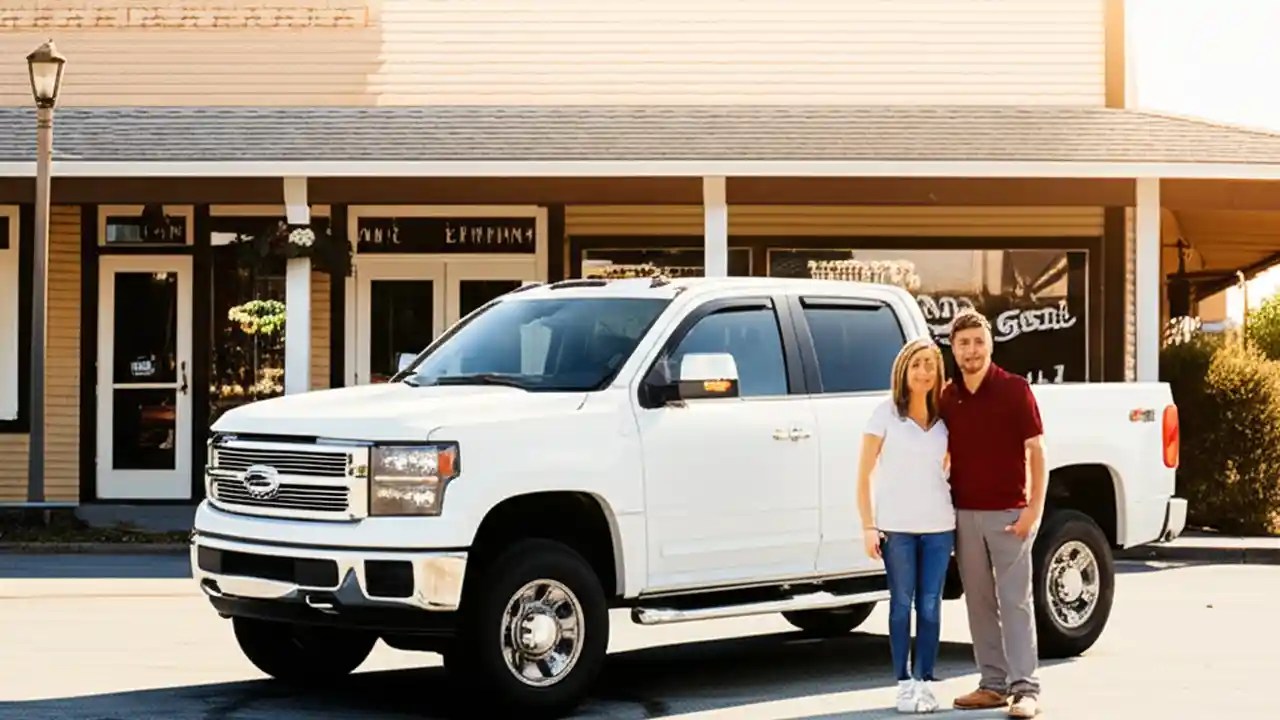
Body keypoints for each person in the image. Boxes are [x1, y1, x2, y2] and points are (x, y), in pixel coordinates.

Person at [940, 310, 1047, 719]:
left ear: (990, 345)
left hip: (1008, 514)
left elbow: (1037, 452)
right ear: (953, 348)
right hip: (965, 514)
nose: (971, 350)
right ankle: (992, 684)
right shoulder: (949, 397)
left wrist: (1032, 512)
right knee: (979, 602)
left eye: (978, 341)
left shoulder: (1014, 389)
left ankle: (1026, 689)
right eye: (963, 343)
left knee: (1015, 601)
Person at [857, 337, 956, 714]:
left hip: (938, 527)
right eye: (917, 364)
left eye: (930, 364)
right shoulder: (884, 414)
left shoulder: (946, 419)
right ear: (903, 370)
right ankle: (903, 683)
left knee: (930, 607)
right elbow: (863, 474)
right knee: (901, 605)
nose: (924, 372)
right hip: (895, 528)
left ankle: (925, 682)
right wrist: (868, 526)